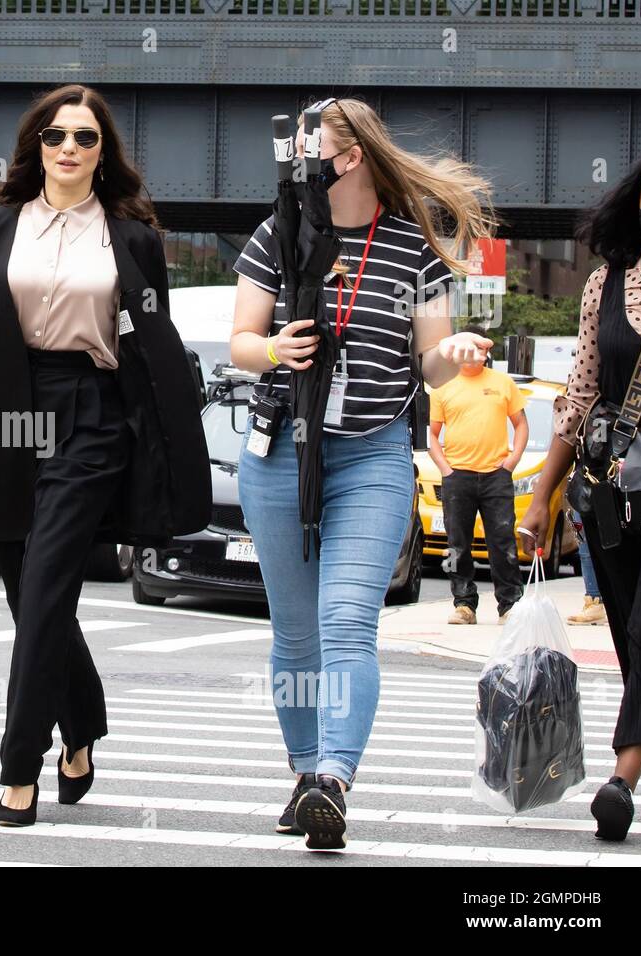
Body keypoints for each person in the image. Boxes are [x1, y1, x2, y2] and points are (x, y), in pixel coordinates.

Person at [0, 84, 209, 827]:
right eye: (56, 136)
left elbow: (151, 345)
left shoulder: (131, 240)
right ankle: (84, 728)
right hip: (9, 407)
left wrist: (158, 449)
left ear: (104, 154)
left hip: (91, 414)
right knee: (26, 590)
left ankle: (16, 768)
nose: (69, 148)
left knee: (48, 582)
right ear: (36, 147)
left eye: (85, 138)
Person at [231, 96, 496, 849]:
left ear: (348, 158)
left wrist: (461, 352)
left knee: (348, 620)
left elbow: (433, 364)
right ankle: (304, 767)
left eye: (310, 151)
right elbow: (241, 342)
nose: (298, 165)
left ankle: (333, 780)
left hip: (373, 454)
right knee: (295, 634)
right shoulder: (276, 236)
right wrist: (278, 349)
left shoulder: (411, 248)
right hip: (281, 449)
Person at [519, 153, 641, 841]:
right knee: (633, 638)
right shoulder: (606, 284)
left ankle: (621, 782)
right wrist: (541, 495)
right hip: (617, 494)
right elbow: (579, 397)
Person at [427, 327, 527, 625]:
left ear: (487, 353)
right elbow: (431, 434)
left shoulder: (503, 383)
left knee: (503, 542)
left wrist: (511, 462)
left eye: (480, 348)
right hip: (458, 477)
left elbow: (520, 424)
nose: (475, 354)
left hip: (496, 475)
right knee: (458, 544)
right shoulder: (443, 387)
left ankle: (509, 605)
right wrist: (445, 468)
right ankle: (464, 605)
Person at [567, 508, 608, 625]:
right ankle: (594, 602)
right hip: (583, 495)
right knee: (585, 551)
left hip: (611, 493)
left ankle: (597, 602)